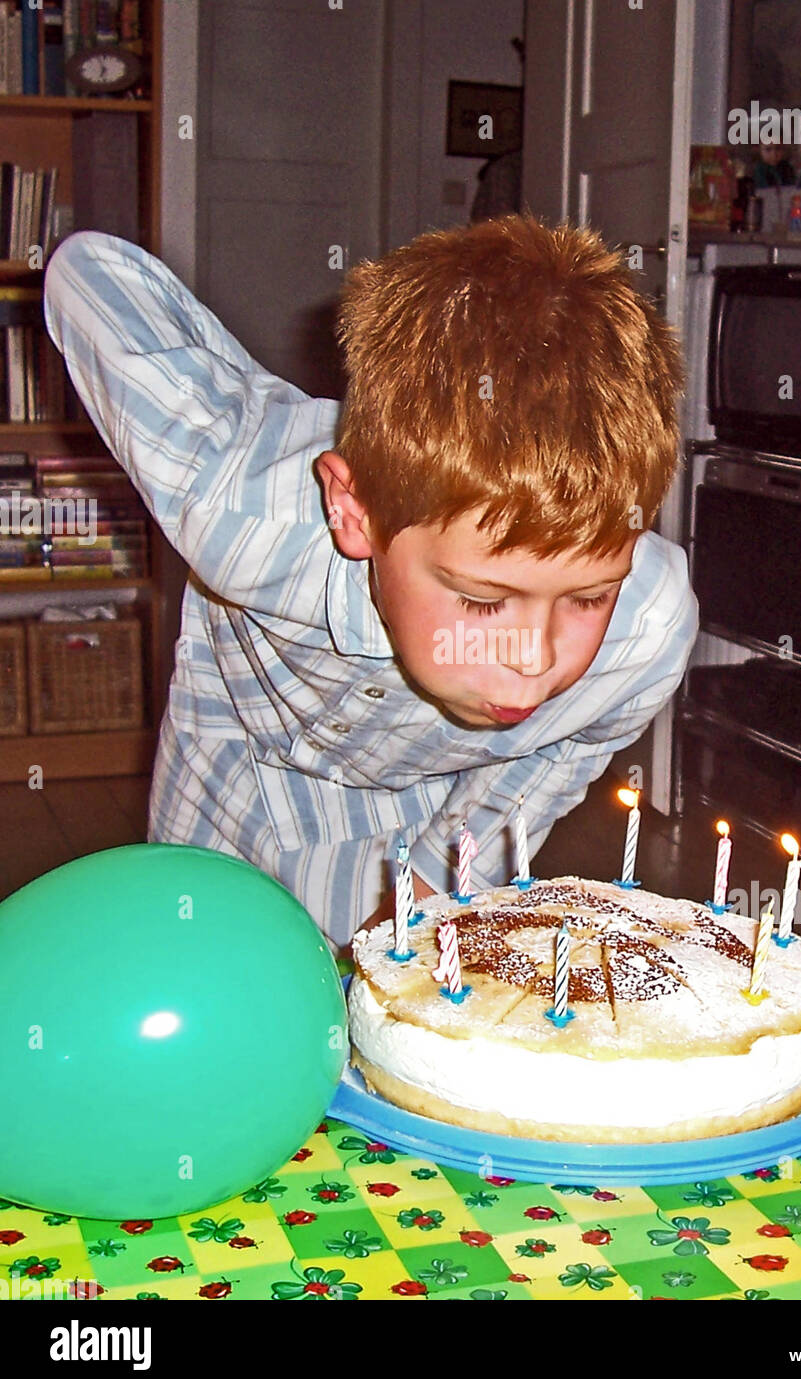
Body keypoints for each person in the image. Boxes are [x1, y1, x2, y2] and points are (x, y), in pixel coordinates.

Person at [43, 215, 697, 956]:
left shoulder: (648, 633)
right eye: (483, 601)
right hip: (236, 762)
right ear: (352, 512)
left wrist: (433, 889)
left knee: (381, 1017)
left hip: (422, 800)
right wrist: (256, 419)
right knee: (186, 974)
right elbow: (85, 270)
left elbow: (553, 762)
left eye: (587, 597)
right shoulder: (239, 503)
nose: (534, 657)